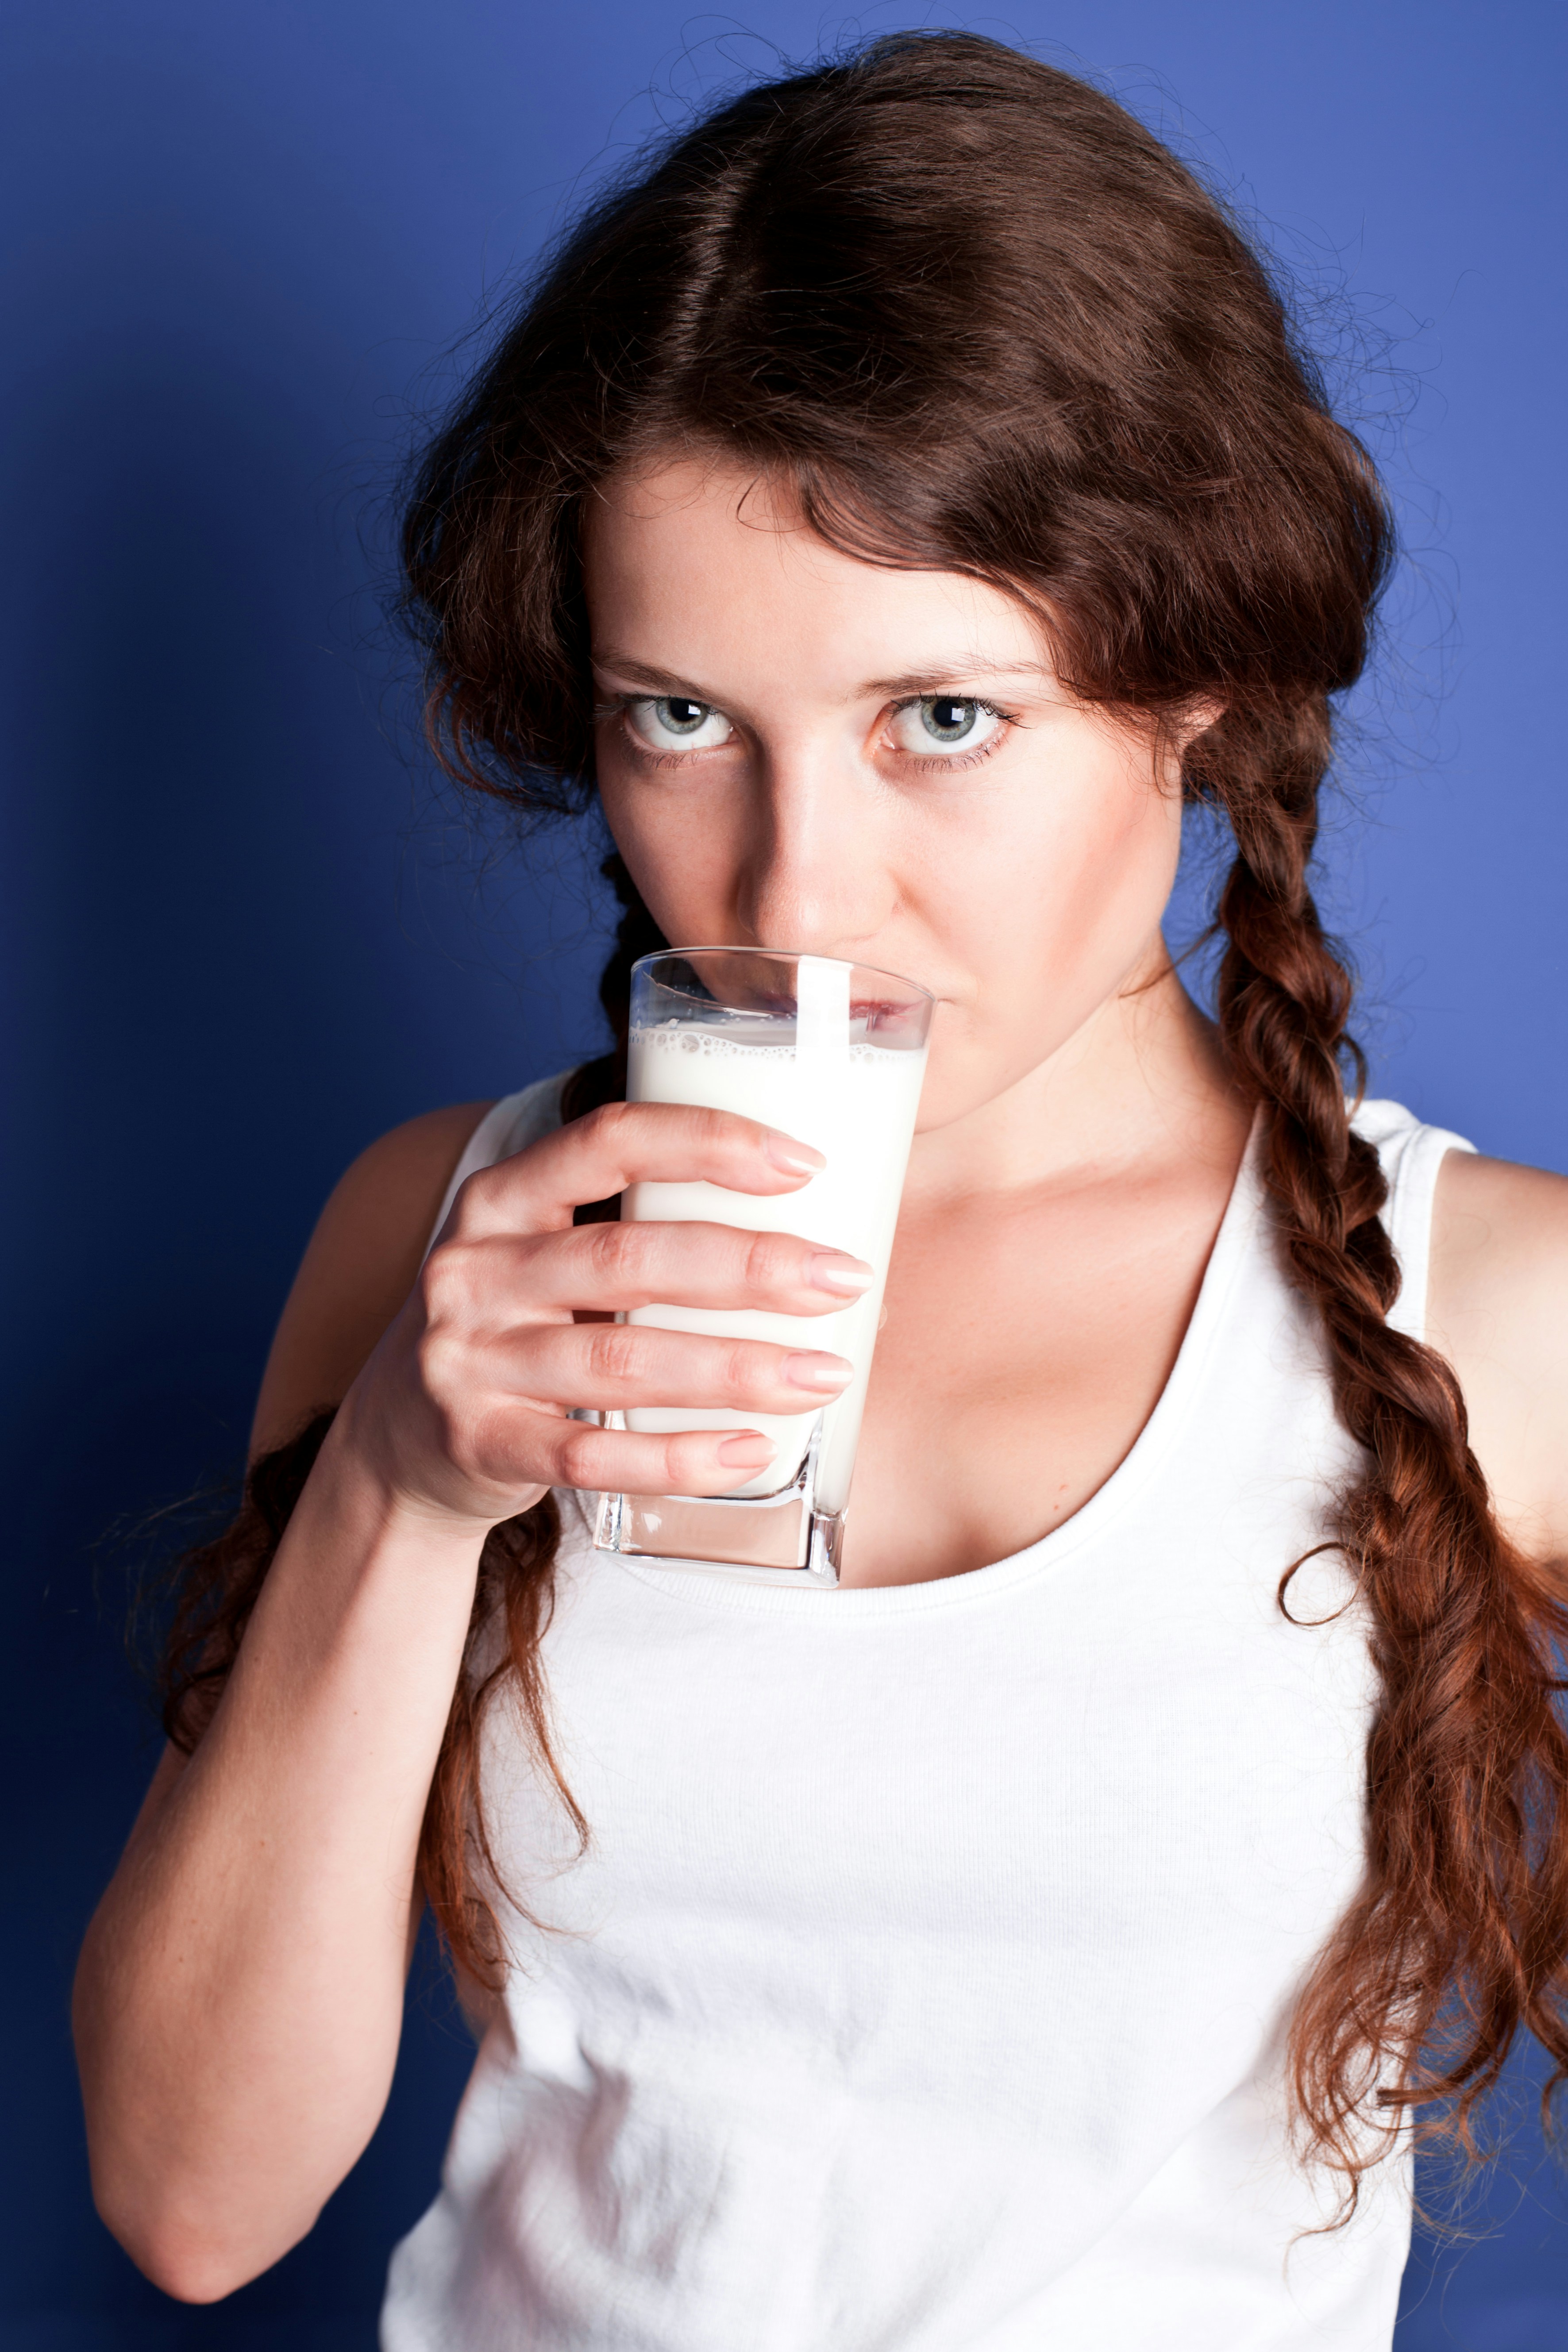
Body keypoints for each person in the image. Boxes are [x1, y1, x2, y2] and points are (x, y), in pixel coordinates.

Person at [72, 32, 1568, 2350]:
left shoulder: (1496, 1309)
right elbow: (189, 2197)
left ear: (1193, 671)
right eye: (679, 717)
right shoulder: (448, 1241)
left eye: (937, 720)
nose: (793, 886)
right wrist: (395, 1477)